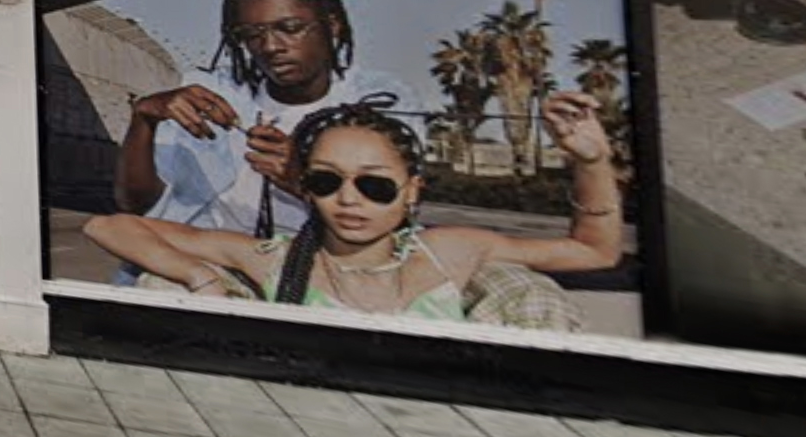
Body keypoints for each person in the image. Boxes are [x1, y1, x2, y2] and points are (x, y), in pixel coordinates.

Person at [83, 92, 622, 323]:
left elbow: (594, 252)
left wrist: (592, 162)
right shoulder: (276, 258)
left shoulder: (449, 252)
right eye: (326, 181)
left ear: (412, 190)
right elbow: (111, 224)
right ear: (306, 187)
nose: (349, 200)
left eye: (375, 186)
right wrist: (199, 276)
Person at [116, 0, 426, 240]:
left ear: (332, 26)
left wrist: (305, 179)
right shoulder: (210, 94)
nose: (270, 46)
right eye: (252, 34)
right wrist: (143, 120)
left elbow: (395, 215)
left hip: (320, 270)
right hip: (206, 262)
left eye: (290, 28)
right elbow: (135, 203)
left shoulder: (379, 98)